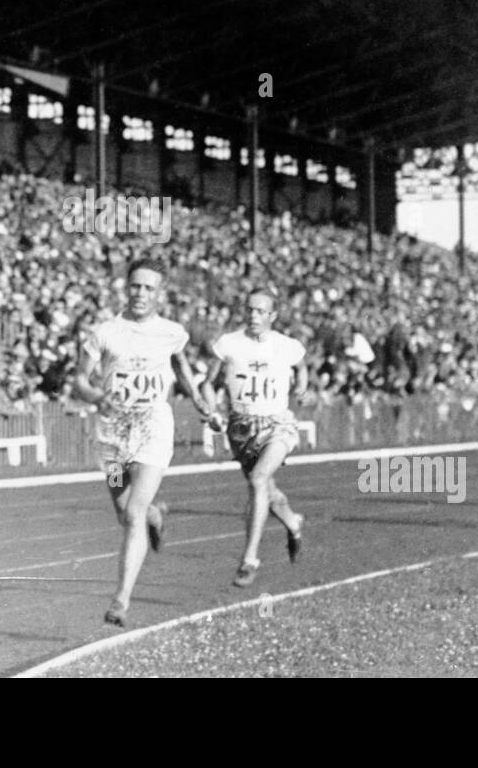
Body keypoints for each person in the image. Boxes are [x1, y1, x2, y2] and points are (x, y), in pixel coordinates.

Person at [72, 258, 213, 628]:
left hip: (153, 428)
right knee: (125, 512)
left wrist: (197, 397)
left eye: (149, 288)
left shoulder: (171, 331)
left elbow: (181, 366)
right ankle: (155, 513)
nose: (140, 293)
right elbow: (80, 381)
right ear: (126, 287)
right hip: (114, 435)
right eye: (135, 286)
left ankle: (120, 600)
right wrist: (95, 397)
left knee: (131, 514)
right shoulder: (104, 332)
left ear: (159, 293)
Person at [203, 289, 309, 587]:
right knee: (268, 493)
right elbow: (207, 383)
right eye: (249, 309)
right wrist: (212, 411)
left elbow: (302, 369)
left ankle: (249, 559)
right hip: (241, 428)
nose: (253, 316)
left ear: (272, 316)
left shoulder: (286, 345)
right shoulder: (228, 344)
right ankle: (293, 522)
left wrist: (300, 387)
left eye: (261, 311)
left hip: (277, 424)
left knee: (259, 480)